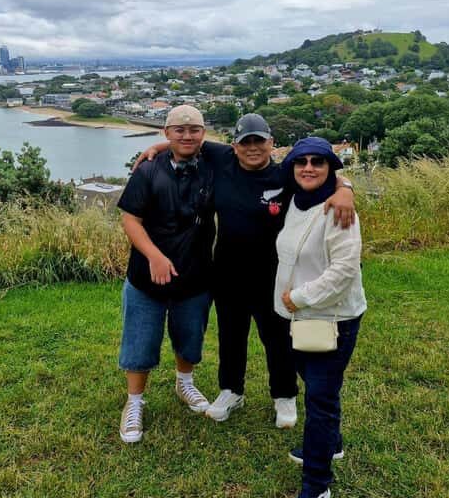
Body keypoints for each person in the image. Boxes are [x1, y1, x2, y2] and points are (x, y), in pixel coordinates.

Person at [136, 115, 355, 429]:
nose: (252, 148)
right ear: (234, 146)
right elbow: (188, 143)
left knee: (277, 337)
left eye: (259, 141)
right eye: (245, 142)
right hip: (227, 270)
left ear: (271, 144)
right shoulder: (221, 159)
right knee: (231, 336)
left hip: (275, 273)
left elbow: (323, 178)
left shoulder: (286, 173)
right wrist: (158, 147)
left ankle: (284, 395)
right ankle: (231, 391)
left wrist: (345, 189)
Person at [274, 136, 367, 498]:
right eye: (301, 162)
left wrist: (301, 297)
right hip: (296, 317)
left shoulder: (339, 211)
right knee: (318, 389)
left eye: (318, 162)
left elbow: (345, 271)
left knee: (320, 399)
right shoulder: (295, 201)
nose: (308, 168)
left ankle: (316, 484)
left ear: (331, 169)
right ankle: (331, 444)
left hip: (331, 318)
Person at [116, 105, 216, 444]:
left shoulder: (214, 166)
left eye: (194, 130)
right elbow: (131, 219)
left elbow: (261, 158)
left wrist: (343, 184)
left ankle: (184, 383)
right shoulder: (147, 171)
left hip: (196, 273)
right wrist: (155, 256)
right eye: (179, 130)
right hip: (147, 276)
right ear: (166, 132)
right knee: (140, 340)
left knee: (190, 336)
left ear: (204, 132)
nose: (187, 136)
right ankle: (134, 402)